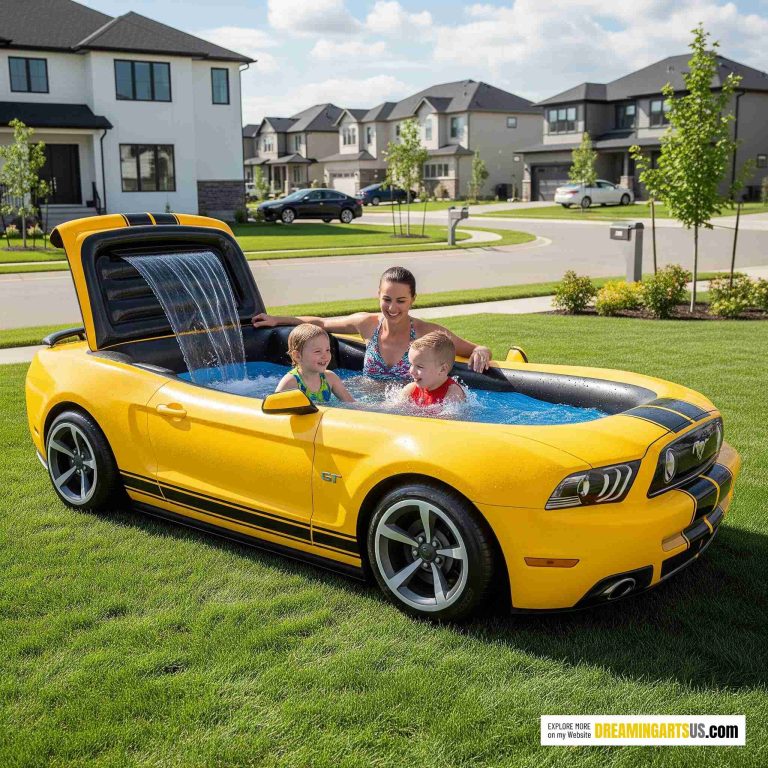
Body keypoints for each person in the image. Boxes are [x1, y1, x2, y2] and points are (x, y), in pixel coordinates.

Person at [252, 266, 492, 381]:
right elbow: (321, 323)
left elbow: (475, 348)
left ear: (412, 300)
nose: (392, 308)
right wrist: (276, 319)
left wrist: (481, 351)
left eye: (401, 301)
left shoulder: (425, 332)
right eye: (387, 299)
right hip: (365, 407)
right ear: (378, 295)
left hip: (406, 412)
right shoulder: (367, 324)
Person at [275, 324, 354, 403]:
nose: (325, 356)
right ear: (297, 356)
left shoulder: (330, 378)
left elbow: (351, 403)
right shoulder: (290, 382)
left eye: (327, 350)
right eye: (317, 351)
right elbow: (274, 405)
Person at [399, 331, 466, 407]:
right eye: (411, 364)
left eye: (419, 366)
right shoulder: (411, 390)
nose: (411, 371)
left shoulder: (453, 394)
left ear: (442, 369)